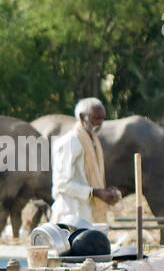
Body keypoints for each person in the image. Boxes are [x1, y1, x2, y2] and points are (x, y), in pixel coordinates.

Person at [49, 97, 121, 227]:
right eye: (96, 118)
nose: (100, 123)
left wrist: (105, 192)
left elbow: (88, 179)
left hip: (88, 215)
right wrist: (95, 192)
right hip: (70, 215)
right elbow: (61, 183)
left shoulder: (93, 142)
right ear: (82, 117)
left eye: (102, 118)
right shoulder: (70, 142)